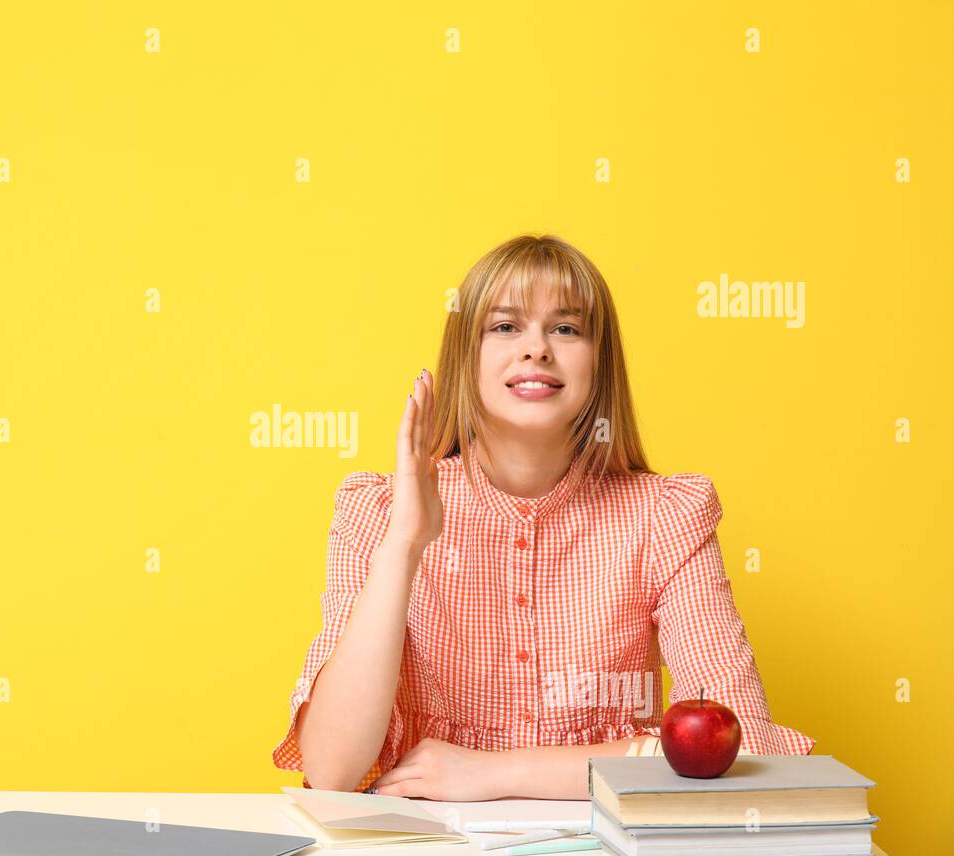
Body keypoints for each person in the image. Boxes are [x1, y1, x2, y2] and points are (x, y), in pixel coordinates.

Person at [270, 233, 815, 800]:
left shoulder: (666, 516)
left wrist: (491, 773)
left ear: (600, 364)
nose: (537, 349)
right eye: (505, 327)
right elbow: (331, 770)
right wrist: (405, 543)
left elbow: (738, 744)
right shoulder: (378, 511)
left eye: (566, 328)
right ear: (466, 355)